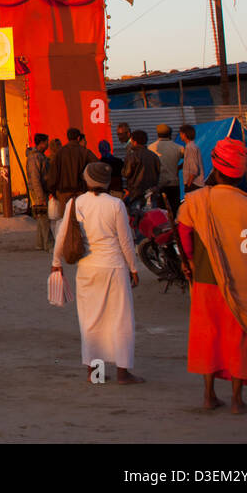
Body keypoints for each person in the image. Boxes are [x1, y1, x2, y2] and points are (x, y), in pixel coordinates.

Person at [177, 138, 247, 414]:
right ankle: (237, 400)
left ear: (216, 170)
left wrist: (191, 261)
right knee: (239, 336)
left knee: (208, 335)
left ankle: (209, 396)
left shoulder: (197, 201)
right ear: (239, 174)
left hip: (206, 280)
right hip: (241, 281)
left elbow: (184, 230)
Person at [52, 162, 143, 384]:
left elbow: (62, 235)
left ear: (87, 180)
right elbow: (125, 240)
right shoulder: (116, 204)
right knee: (120, 320)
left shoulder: (75, 203)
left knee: (91, 321)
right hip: (114, 268)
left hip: (87, 269)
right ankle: (123, 372)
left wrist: (56, 262)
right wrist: (133, 267)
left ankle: (96, 373)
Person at [122, 129, 161, 212]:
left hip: (136, 193)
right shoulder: (153, 156)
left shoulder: (132, 156)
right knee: (151, 217)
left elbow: (126, 173)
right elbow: (158, 172)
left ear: (134, 141)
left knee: (136, 217)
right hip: (151, 192)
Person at [149, 123, 183, 217]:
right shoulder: (178, 147)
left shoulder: (151, 148)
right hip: (174, 183)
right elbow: (188, 160)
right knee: (175, 210)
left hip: (160, 184)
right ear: (170, 134)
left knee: (163, 212)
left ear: (158, 134)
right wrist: (179, 167)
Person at [26, 133, 52, 251]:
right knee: (44, 217)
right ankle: (48, 244)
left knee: (41, 218)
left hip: (41, 190)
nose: (47, 144)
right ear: (41, 143)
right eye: (46, 142)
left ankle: (40, 243)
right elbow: (35, 179)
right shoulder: (35, 158)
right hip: (38, 191)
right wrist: (40, 197)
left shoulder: (39, 156)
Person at [180, 124, 205, 191]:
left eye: (181, 134)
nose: (180, 136)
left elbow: (194, 168)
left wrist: (189, 183)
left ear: (184, 135)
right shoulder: (193, 146)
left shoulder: (190, 148)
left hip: (194, 183)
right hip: (195, 183)